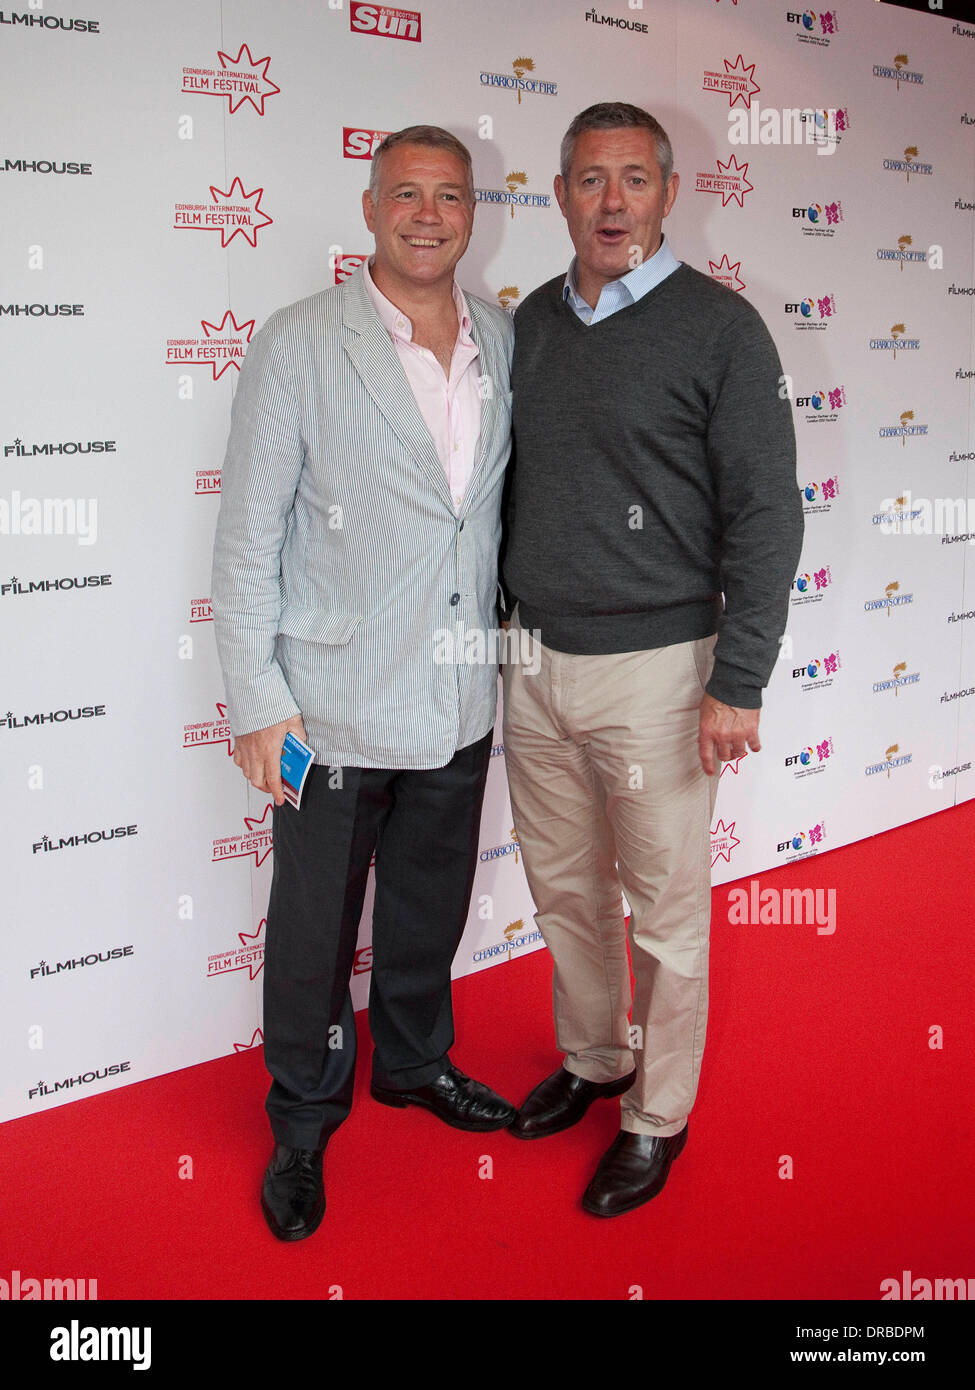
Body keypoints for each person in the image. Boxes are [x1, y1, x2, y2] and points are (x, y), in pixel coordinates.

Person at [212, 126, 517, 1243]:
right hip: (328, 705)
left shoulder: (501, 336)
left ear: (472, 211)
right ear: (371, 203)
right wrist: (255, 698)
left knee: (430, 906)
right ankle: (301, 1112)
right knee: (311, 925)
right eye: (406, 194)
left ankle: (415, 1063)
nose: (427, 214)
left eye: (449, 195)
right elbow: (247, 537)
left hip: (457, 696)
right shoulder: (299, 343)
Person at [501, 103, 803, 1216]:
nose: (612, 200)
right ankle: (595, 1060)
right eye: (590, 179)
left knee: (667, 917)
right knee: (568, 892)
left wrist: (741, 675)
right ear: (562, 195)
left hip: (664, 672)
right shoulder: (529, 322)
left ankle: (657, 1115)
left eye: (634, 178)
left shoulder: (723, 330)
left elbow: (768, 513)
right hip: (534, 663)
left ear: (670, 194)